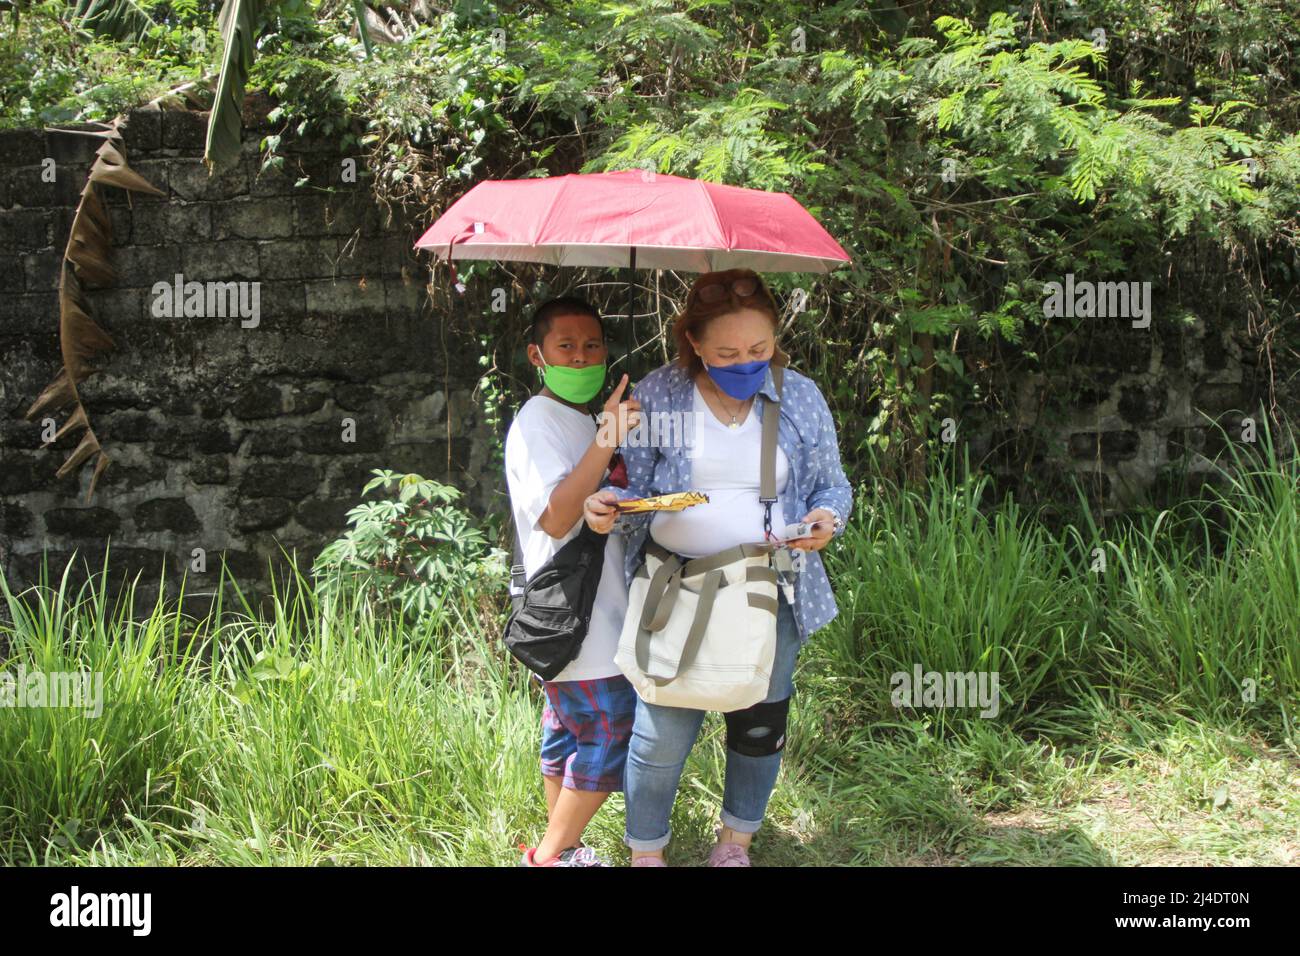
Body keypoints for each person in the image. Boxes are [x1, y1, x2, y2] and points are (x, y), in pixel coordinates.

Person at [583, 269, 852, 867]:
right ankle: (646, 852)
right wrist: (607, 506)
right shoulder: (657, 394)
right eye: (727, 352)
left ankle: (736, 843)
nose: (745, 362)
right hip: (676, 585)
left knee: (760, 720)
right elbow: (626, 488)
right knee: (663, 723)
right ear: (694, 343)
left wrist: (827, 517)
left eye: (758, 349)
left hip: (772, 581)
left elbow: (835, 485)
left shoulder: (798, 394)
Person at [504, 296, 642, 867]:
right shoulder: (537, 421)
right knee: (612, 725)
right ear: (538, 354)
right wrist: (607, 437)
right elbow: (558, 516)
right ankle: (549, 855)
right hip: (575, 613)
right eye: (566, 347)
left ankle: (564, 851)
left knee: (566, 731)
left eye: (593, 346)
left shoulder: (580, 417)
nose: (582, 358)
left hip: (594, 605)